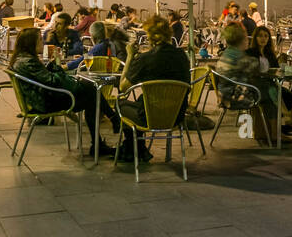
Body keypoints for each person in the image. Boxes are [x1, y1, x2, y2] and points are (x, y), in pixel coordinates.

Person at [10, 27, 117, 158]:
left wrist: (52, 67)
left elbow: (46, 79)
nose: (42, 42)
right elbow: (52, 81)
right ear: (30, 43)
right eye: (39, 39)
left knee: (90, 92)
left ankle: (101, 140)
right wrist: (57, 69)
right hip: (45, 102)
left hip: (41, 98)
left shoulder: (22, 59)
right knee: (91, 92)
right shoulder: (28, 62)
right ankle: (110, 124)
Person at [118, 15, 191, 162]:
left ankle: (135, 150)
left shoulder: (145, 59)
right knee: (140, 103)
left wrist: (130, 57)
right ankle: (137, 149)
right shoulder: (182, 56)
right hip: (176, 115)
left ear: (149, 37)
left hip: (150, 117)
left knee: (120, 103)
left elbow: (122, 87)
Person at [216, 22, 287, 144]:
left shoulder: (228, 53)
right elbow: (260, 68)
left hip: (224, 94)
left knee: (270, 90)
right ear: (241, 40)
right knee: (271, 92)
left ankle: (276, 131)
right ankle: (281, 128)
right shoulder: (240, 57)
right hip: (236, 96)